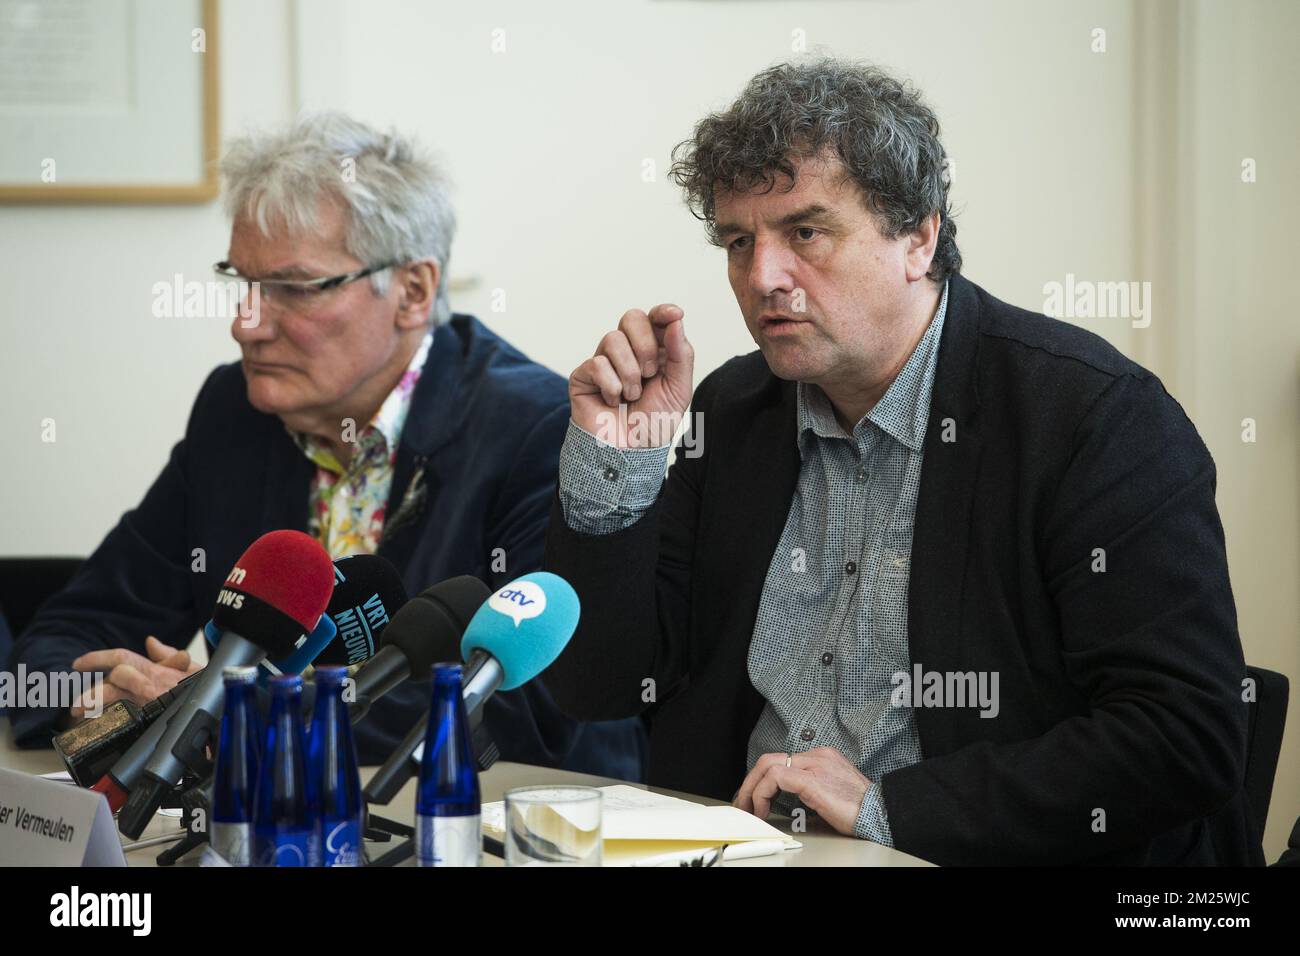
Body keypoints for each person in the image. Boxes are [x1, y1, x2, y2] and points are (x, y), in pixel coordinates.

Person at [542, 59, 1256, 864]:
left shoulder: (1091, 416)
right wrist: (621, 461)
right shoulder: (734, 412)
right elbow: (600, 686)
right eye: (739, 242)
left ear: (918, 236)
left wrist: (892, 810)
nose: (763, 277)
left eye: (804, 232)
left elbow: (1183, 736)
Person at [8, 113, 644, 780]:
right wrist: (95, 701)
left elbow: (527, 711)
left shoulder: (534, 428)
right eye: (242, 282)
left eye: (292, 288)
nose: (244, 324)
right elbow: (67, 633)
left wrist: (222, 710)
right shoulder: (235, 414)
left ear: (412, 291)